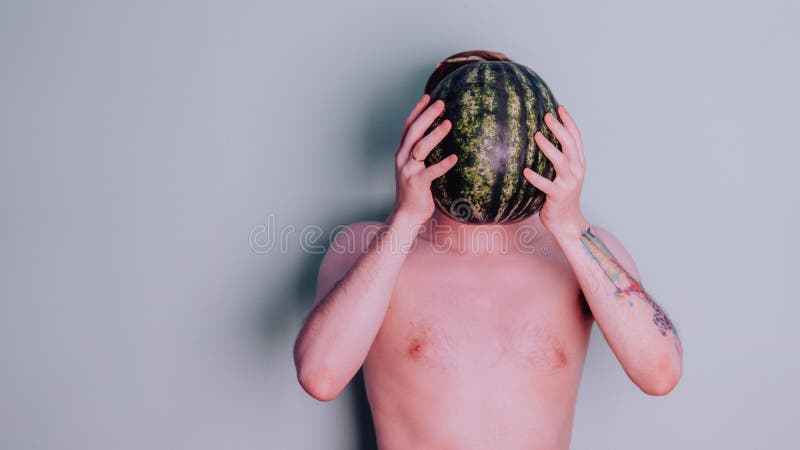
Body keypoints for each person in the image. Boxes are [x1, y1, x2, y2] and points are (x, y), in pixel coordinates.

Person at [293, 50, 683, 450]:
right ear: (423, 139)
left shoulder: (584, 249)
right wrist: (405, 218)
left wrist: (569, 225)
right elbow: (320, 376)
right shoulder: (365, 245)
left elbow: (660, 372)